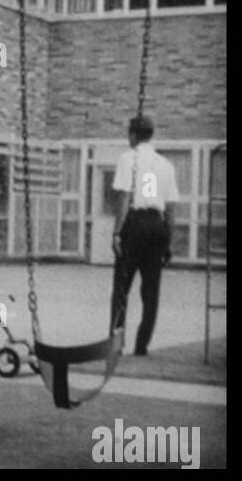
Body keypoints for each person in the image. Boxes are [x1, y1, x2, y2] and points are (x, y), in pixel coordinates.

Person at [109, 116, 180, 356]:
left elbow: (124, 198)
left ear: (132, 135)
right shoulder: (165, 164)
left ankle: (117, 342)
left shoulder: (128, 159)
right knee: (151, 292)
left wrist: (117, 232)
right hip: (156, 226)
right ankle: (142, 345)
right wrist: (168, 241)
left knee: (121, 288)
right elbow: (171, 209)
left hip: (134, 226)